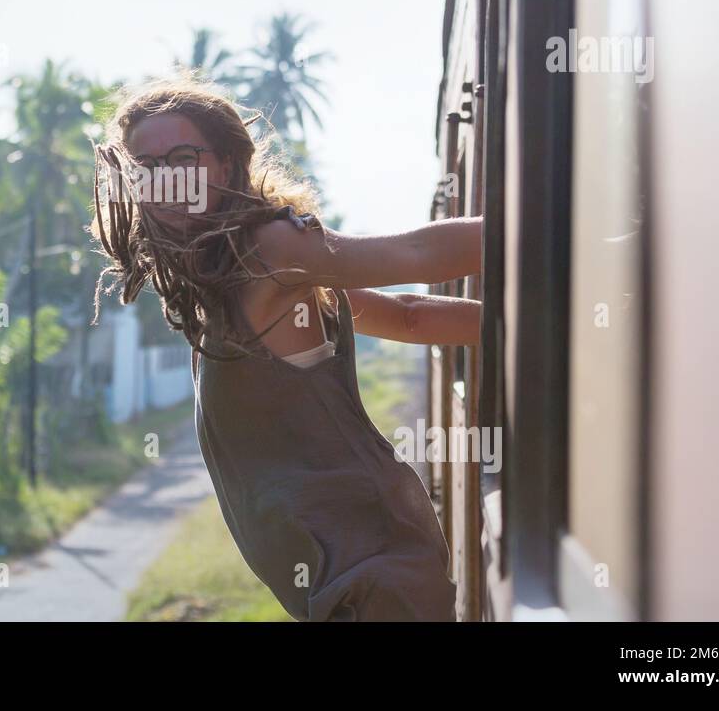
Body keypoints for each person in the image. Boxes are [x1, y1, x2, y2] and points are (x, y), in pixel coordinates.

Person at [89, 79, 482, 621]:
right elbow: (406, 316)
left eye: (183, 157)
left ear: (227, 165)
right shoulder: (218, 278)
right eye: (147, 166)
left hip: (374, 584)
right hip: (345, 590)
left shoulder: (268, 248)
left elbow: (415, 252)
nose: (167, 180)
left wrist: (564, 237)